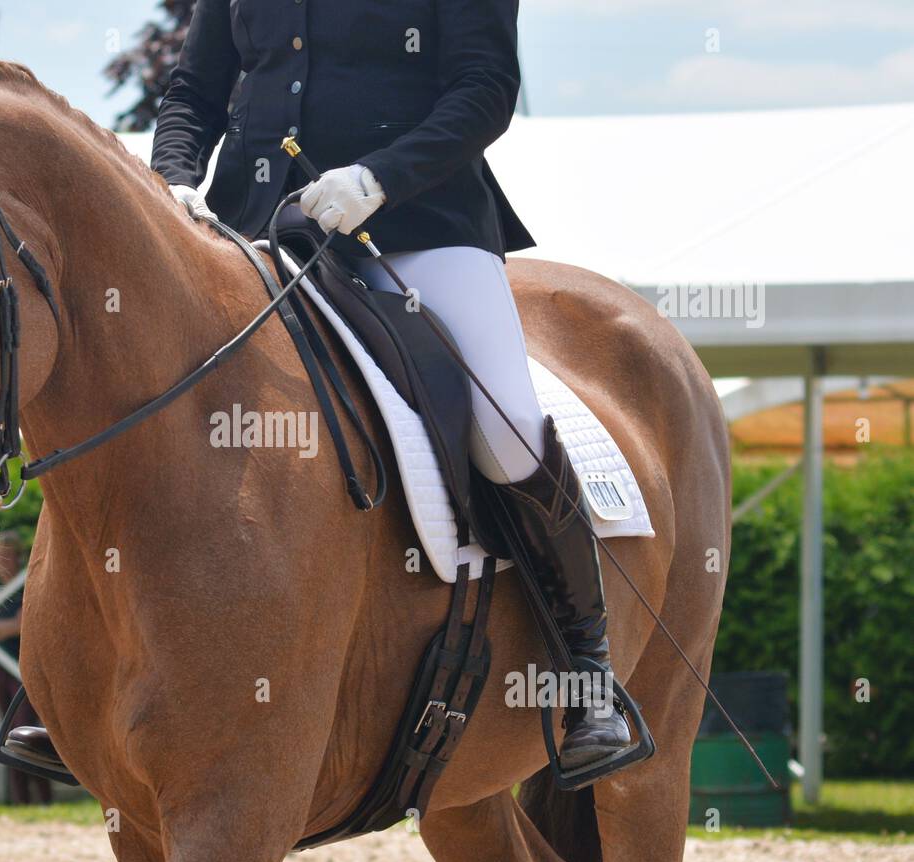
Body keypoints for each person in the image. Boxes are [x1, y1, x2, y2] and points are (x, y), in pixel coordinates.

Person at [151, 0, 629, 767]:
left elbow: (484, 88)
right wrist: (171, 181)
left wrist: (379, 178)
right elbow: (194, 90)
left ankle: (587, 675)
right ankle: (66, 666)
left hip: (416, 224)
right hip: (251, 226)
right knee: (143, 392)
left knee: (506, 431)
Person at [0, 531, 54, 804]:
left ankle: (44, 798)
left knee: (25, 732)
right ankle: (21, 800)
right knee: (7, 732)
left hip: (23, 669)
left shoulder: (26, 586)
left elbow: (22, 624)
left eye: (8, 556)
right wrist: (1, 628)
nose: (3, 562)